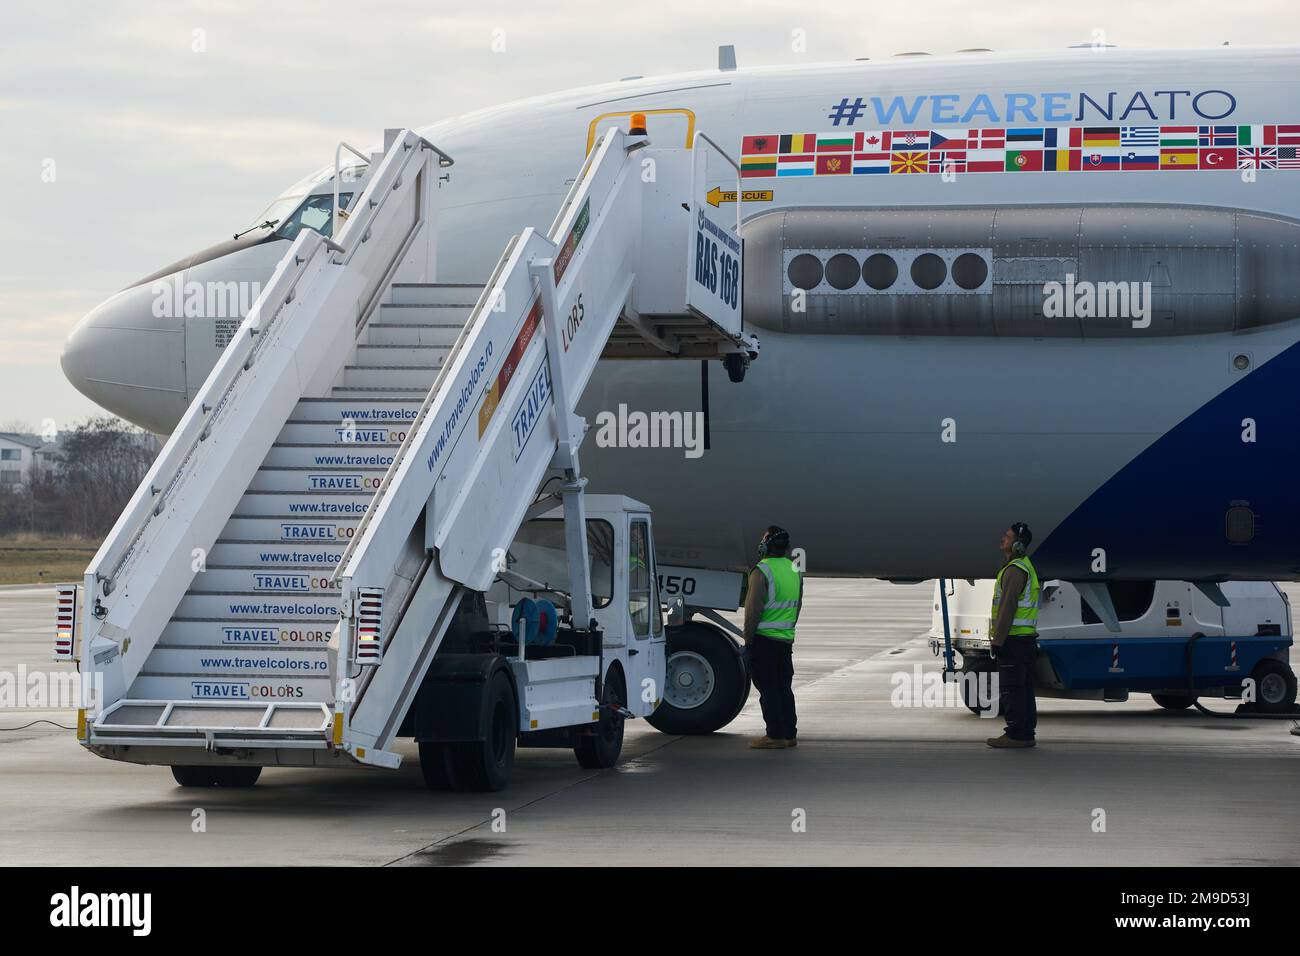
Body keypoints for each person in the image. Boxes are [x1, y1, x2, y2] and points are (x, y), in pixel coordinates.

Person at [742, 526, 802, 749]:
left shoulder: (762, 570)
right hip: (785, 639)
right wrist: (787, 631)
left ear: (766, 544)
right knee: (784, 687)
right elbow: (797, 606)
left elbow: (753, 609)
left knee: (768, 689)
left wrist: (748, 640)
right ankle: (789, 733)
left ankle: (775, 735)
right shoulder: (794, 569)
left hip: (764, 639)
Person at [987, 522, 1041, 749]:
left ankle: (1017, 734)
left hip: (1013, 639)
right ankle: (1025, 732)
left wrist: (998, 641)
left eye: (1007, 537)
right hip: (1024, 639)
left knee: (1012, 689)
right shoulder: (1024, 567)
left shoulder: (1015, 570)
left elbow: (1007, 608)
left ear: (1018, 545)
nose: (1003, 540)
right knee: (1024, 689)